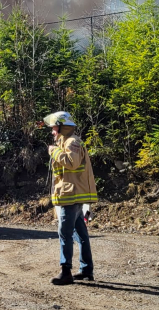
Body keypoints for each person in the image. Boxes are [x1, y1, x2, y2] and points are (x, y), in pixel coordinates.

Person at [43, 111, 98, 285]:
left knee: (65, 233)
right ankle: (86, 269)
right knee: (80, 232)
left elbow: (72, 162)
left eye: (54, 128)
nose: (52, 132)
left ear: (62, 127)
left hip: (71, 195)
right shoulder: (66, 142)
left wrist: (54, 152)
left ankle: (66, 272)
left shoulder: (71, 142)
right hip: (72, 193)